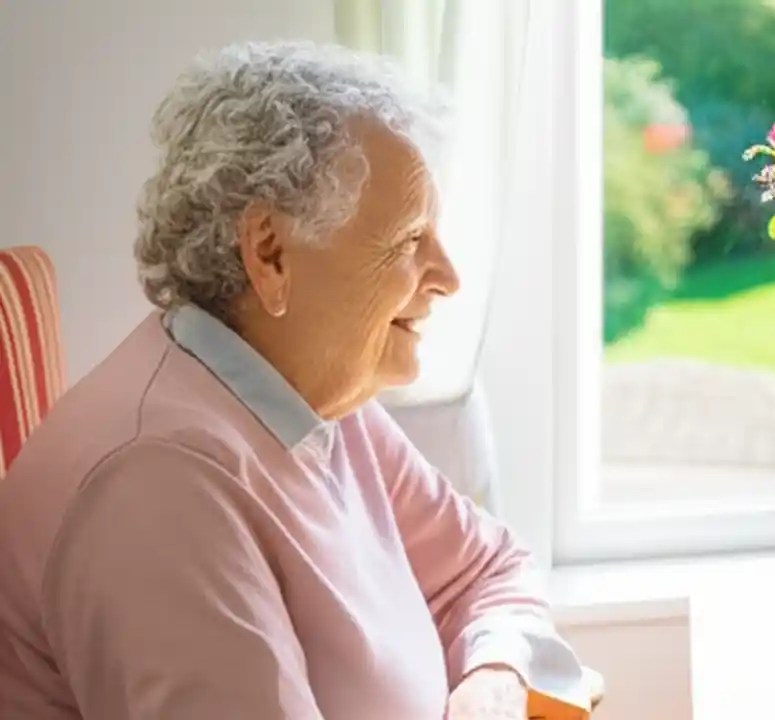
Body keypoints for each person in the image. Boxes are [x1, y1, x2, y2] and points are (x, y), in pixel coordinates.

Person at [0, 41, 582, 720]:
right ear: (270, 253)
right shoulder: (158, 484)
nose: (448, 276)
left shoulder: (317, 399)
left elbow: (488, 570)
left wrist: (493, 682)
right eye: (407, 240)